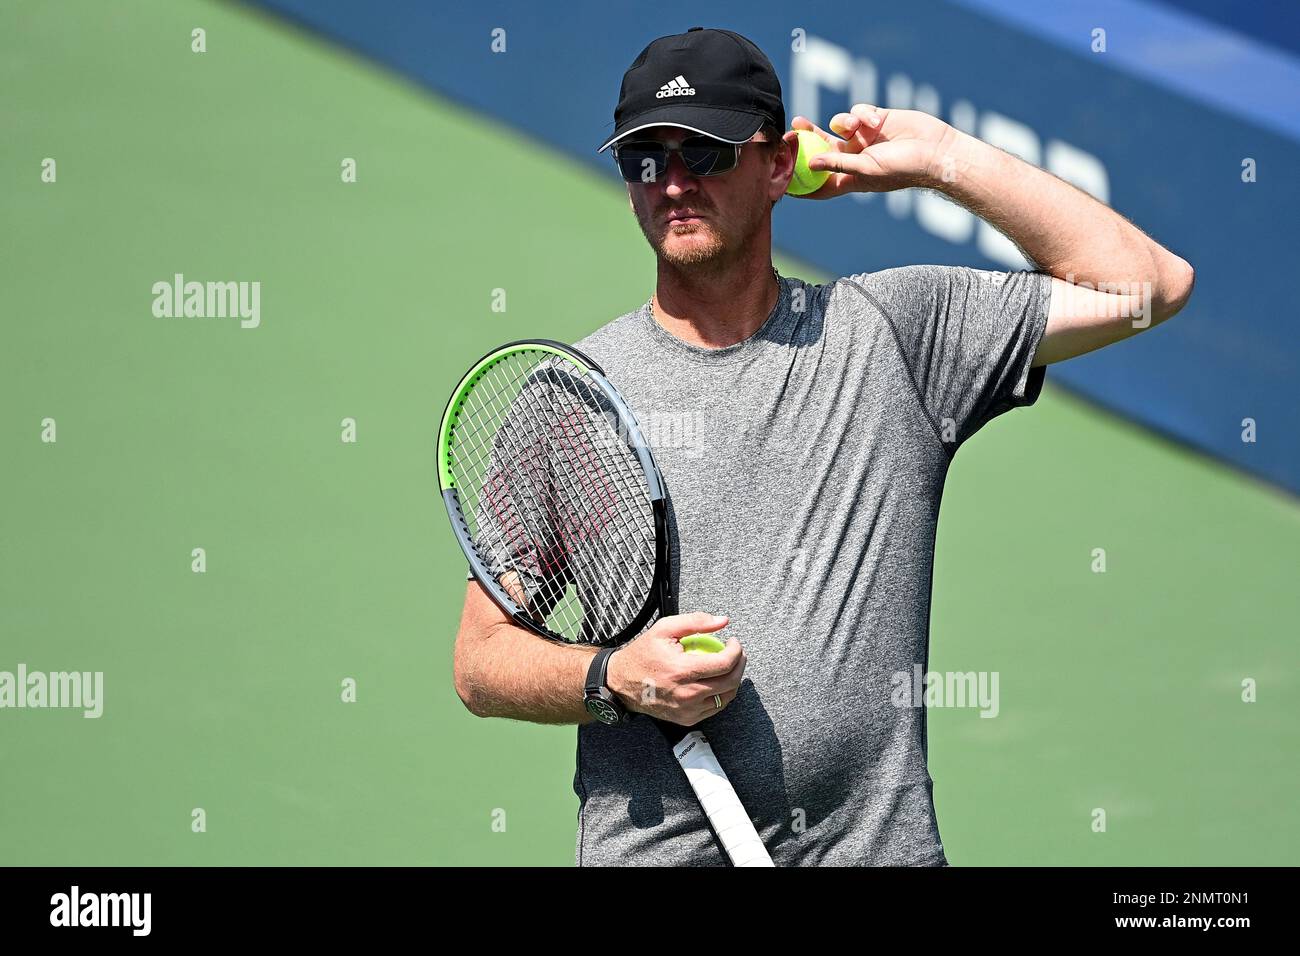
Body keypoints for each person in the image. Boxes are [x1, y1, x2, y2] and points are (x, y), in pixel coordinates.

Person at [452, 26, 1194, 865]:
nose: (675, 183)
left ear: (780, 165)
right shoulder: (568, 398)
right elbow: (482, 661)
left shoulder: (894, 336)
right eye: (645, 160)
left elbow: (1148, 287)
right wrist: (614, 678)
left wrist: (939, 159)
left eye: (707, 150)